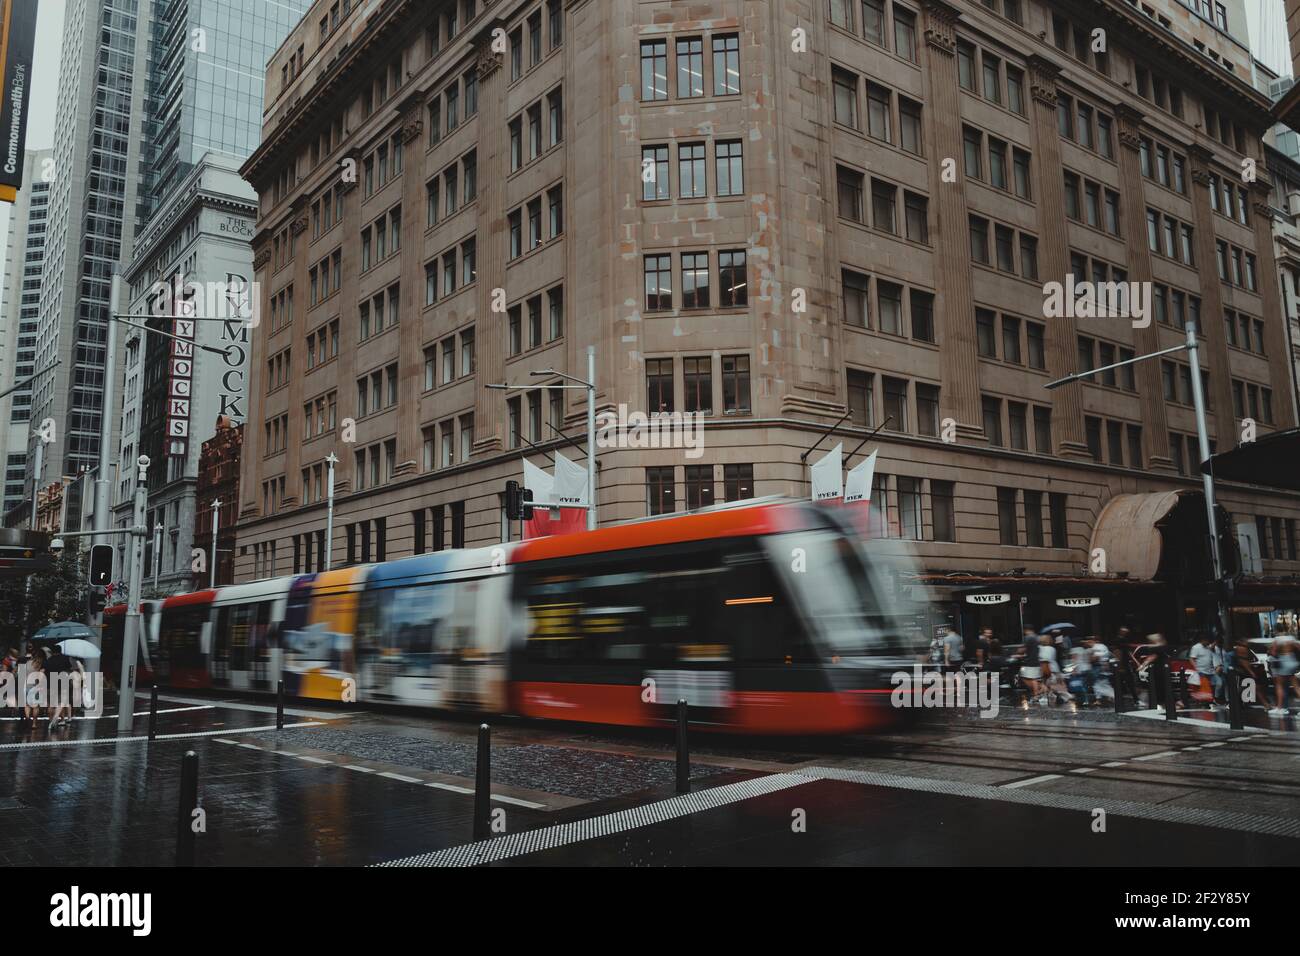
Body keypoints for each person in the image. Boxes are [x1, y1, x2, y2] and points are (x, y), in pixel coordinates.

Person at [1268, 630, 1299, 717]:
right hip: (1292, 660)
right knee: (1296, 687)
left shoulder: (1277, 639)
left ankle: (1280, 708)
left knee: (1279, 685)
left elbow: (1273, 652)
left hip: (1283, 661)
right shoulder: (1291, 638)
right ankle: (1282, 708)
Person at [44, 645, 74, 729]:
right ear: (60, 651)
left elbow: (45, 671)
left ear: (52, 652)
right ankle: (56, 717)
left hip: (51, 682)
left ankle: (51, 722)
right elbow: (70, 669)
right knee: (61, 702)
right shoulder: (65, 658)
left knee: (51, 704)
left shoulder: (48, 660)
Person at [1039, 633, 1072, 705]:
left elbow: (1045, 661)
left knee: (1051, 684)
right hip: (1055, 668)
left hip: (1049, 668)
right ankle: (1061, 697)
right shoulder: (1052, 648)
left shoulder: (1042, 649)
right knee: (1056, 684)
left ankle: (1063, 697)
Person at [1017, 627, 1042, 702]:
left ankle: (1037, 694)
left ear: (1026, 630)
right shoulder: (1037, 637)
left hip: (1030, 661)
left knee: (1028, 677)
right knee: (1033, 678)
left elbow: (1023, 649)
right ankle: (1039, 691)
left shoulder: (1028, 638)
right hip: (1037, 661)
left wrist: (1019, 651)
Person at [23, 650, 45, 723]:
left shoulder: (27, 663)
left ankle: (28, 717)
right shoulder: (39, 664)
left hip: (25, 686)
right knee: (35, 706)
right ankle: (34, 724)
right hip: (34, 686)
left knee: (27, 705)